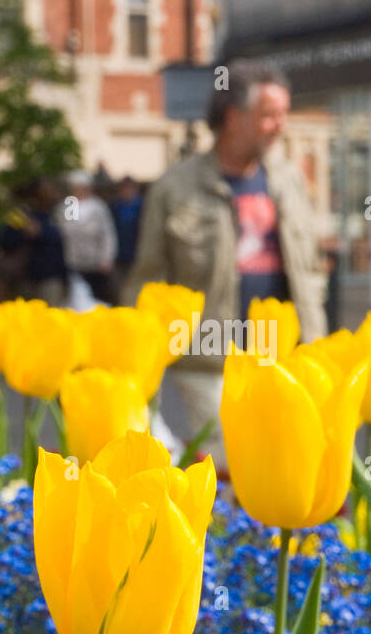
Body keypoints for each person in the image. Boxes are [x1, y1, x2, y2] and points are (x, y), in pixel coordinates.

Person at [126, 59, 328, 459]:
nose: (281, 125)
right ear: (233, 118)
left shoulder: (287, 179)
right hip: (209, 361)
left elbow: (311, 268)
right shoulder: (176, 186)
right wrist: (138, 364)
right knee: (231, 465)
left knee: (286, 466)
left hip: (285, 358)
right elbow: (148, 280)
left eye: (284, 114)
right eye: (269, 115)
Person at [0, 176, 68, 306]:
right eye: (46, 189)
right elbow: (3, 241)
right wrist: (23, 233)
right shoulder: (21, 215)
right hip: (25, 278)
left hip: (51, 278)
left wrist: (42, 233)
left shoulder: (60, 213)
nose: (50, 192)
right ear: (36, 193)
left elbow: (64, 239)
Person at [56, 170, 117, 305]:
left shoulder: (98, 206)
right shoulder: (68, 206)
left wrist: (107, 258)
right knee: (77, 297)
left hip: (96, 262)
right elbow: (64, 232)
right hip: (73, 261)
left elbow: (108, 234)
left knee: (99, 298)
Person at [111, 175, 143, 290]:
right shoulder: (114, 207)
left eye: (129, 188)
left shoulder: (143, 207)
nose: (127, 191)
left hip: (138, 253)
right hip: (119, 254)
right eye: (124, 188)